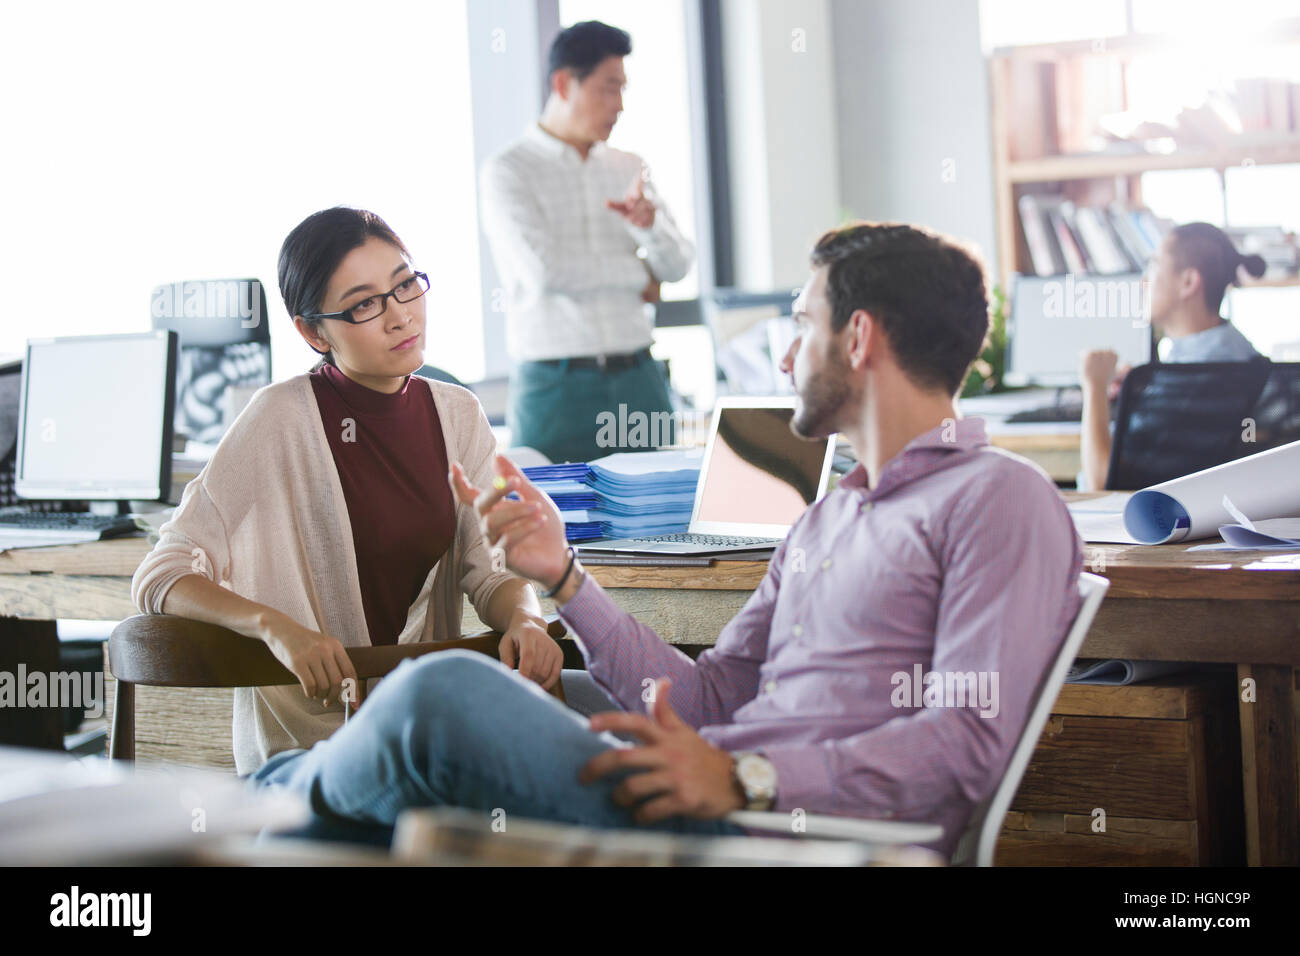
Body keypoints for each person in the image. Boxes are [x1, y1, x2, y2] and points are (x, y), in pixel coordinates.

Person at [236, 221, 1083, 860]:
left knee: (440, 695)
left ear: (857, 338)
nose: (785, 355)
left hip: (784, 832)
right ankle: (288, 807)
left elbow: (967, 743)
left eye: (802, 323)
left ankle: (276, 797)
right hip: (710, 790)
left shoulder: (998, 500)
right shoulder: (829, 515)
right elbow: (707, 700)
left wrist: (747, 778)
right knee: (484, 725)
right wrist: (565, 579)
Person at [130, 207, 564, 777]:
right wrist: (275, 628)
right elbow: (159, 576)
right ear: (313, 332)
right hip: (307, 761)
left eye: (405, 285)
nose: (399, 316)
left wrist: (527, 619)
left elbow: (493, 573)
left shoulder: (457, 414)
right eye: (364, 304)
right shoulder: (278, 419)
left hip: (418, 740)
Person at [479, 19, 694, 464]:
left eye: (623, 90)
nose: (619, 105)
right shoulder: (509, 171)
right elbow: (547, 272)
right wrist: (639, 273)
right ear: (563, 83)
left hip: (638, 377)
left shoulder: (628, 166)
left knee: (664, 515)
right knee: (553, 520)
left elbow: (677, 267)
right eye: (607, 88)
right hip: (554, 386)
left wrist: (648, 227)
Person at [1079, 222, 1267, 491]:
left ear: (1188, 282)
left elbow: (1102, 482)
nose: (1145, 281)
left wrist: (1093, 386)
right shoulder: (1243, 358)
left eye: (1154, 266)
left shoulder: (1190, 380)